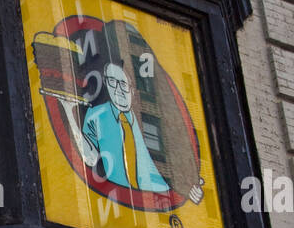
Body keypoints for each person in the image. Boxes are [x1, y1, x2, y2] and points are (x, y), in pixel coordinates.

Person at [63, 62, 204, 204]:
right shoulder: (96, 115)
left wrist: (187, 187)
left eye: (123, 84)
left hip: (155, 198)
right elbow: (90, 158)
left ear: (132, 90)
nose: (118, 90)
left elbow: (171, 162)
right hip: (119, 201)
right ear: (105, 83)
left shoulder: (144, 121)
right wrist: (69, 112)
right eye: (112, 82)